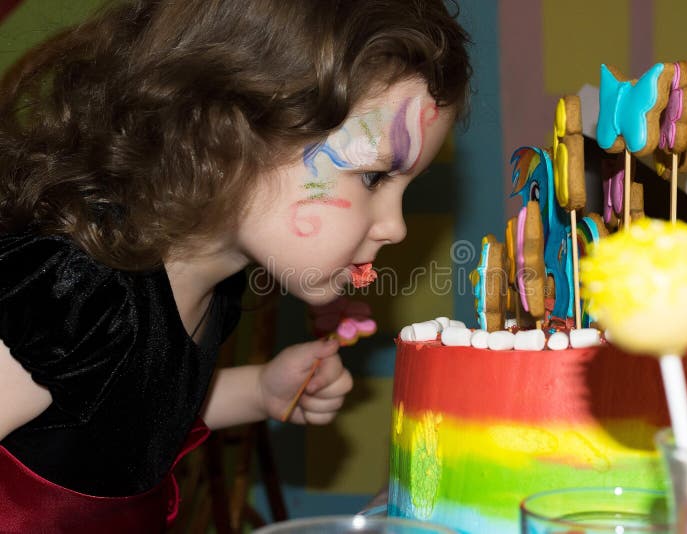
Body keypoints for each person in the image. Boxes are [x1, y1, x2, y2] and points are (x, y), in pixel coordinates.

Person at [0, 0, 471, 531]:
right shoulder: (71, 295)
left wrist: (259, 390)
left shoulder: (213, 292)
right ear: (227, 138)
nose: (396, 227)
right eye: (373, 177)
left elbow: (123, 416)